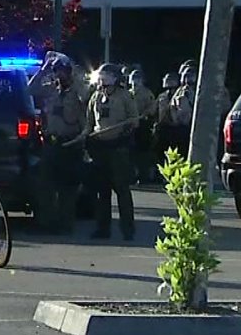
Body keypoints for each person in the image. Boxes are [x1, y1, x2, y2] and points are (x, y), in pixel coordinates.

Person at [27, 54, 86, 234]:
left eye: (63, 71)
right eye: (57, 71)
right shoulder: (50, 89)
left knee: (67, 188)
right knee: (46, 185)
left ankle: (65, 224)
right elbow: (30, 90)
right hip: (51, 144)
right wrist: (44, 68)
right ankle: (47, 223)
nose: (60, 75)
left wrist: (74, 75)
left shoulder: (77, 92)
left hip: (71, 144)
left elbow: (87, 94)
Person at [84, 63, 139, 240]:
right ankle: (102, 228)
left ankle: (128, 229)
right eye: (101, 76)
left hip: (118, 148)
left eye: (107, 75)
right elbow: (89, 123)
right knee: (102, 191)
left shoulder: (125, 97)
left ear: (115, 78)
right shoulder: (95, 97)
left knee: (122, 190)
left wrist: (123, 133)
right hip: (100, 149)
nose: (103, 79)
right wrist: (86, 137)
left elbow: (134, 120)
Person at [125, 69, 157, 184]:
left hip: (142, 126)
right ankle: (131, 175)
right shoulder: (127, 93)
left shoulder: (147, 93)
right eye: (133, 78)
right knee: (130, 153)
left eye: (137, 79)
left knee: (142, 152)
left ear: (142, 80)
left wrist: (145, 114)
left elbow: (152, 109)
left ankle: (144, 177)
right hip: (130, 126)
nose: (135, 81)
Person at [153, 72, 183, 168]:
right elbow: (154, 110)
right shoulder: (162, 96)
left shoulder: (182, 94)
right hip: (164, 128)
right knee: (162, 151)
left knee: (178, 152)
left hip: (178, 128)